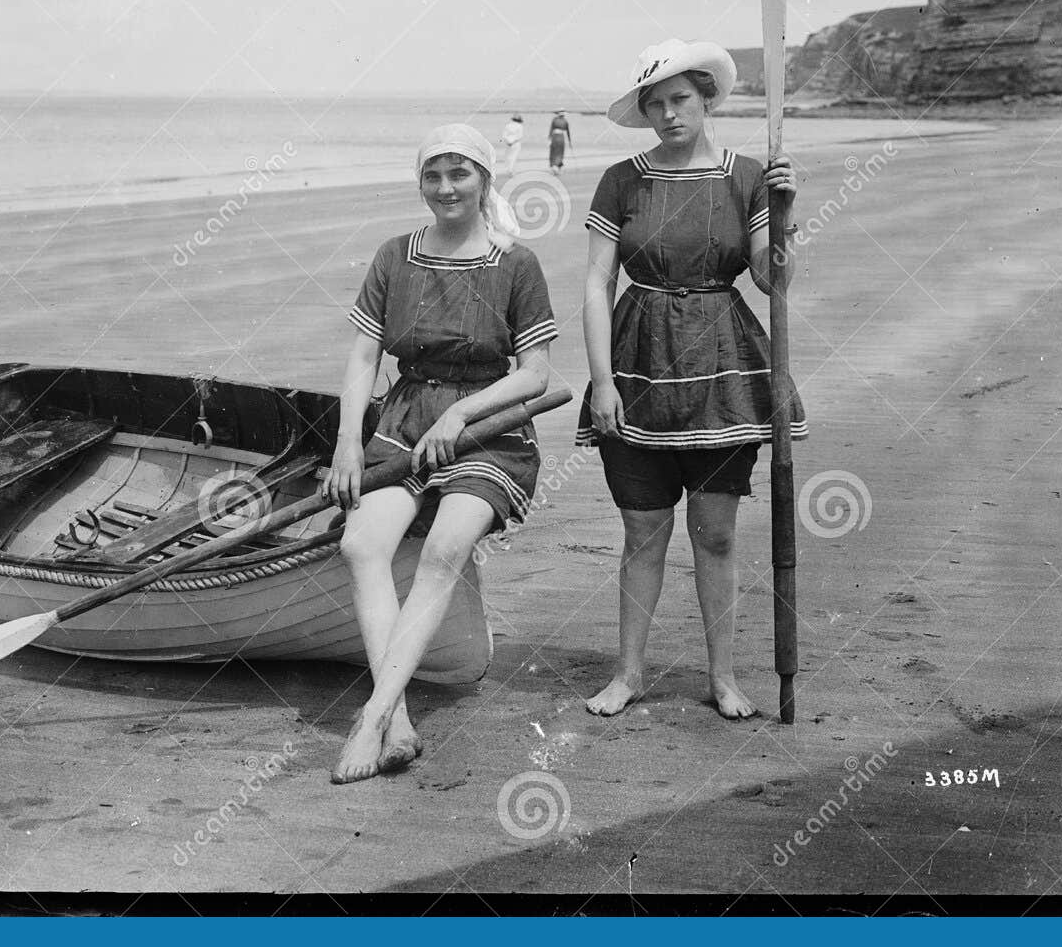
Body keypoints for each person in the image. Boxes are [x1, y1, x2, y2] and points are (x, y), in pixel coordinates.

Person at [576, 38, 806, 720]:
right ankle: (628, 673)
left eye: (681, 99)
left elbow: (772, 279)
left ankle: (723, 677)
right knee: (643, 531)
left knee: (716, 534)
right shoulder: (622, 180)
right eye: (656, 105)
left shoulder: (748, 177)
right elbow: (596, 282)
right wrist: (601, 382)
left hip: (723, 364)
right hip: (637, 359)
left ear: (707, 99)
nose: (669, 114)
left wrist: (785, 216)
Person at [323, 123, 558, 783]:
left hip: (489, 429)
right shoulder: (394, 255)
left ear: (484, 181)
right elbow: (364, 357)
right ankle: (397, 720)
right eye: (433, 175)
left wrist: (461, 412)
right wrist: (348, 443)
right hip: (405, 421)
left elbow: (536, 374)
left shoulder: (516, 264)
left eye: (460, 174)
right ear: (420, 182)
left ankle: (371, 717)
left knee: (443, 550)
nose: (446, 187)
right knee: (360, 545)